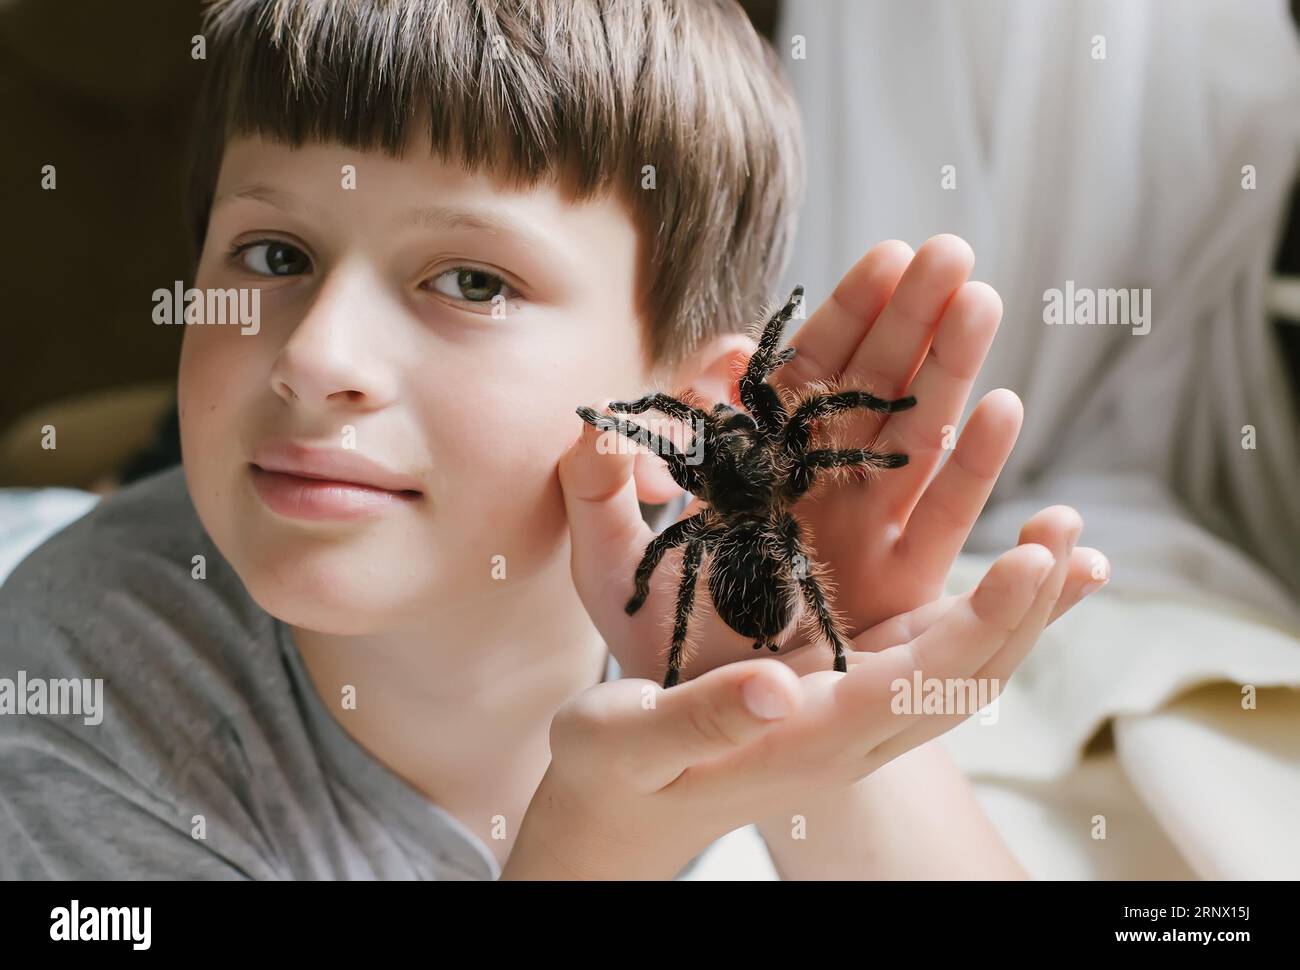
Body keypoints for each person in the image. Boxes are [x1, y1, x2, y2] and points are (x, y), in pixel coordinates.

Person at [0, 0, 1104, 880]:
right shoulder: (73, 702)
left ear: (682, 412)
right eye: (273, 255)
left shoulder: (714, 609)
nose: (315, 353)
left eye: (472, 280)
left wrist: (820, 742)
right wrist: (597, 845)